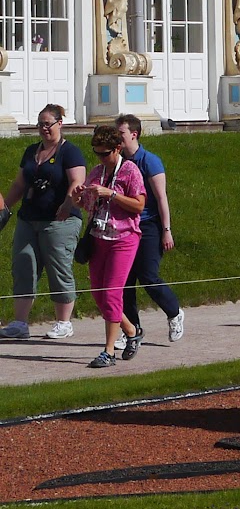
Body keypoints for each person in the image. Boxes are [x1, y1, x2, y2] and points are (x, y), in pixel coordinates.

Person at [0, 105, 85, 341]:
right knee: (23, 266)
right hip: (29, 219)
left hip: (59, 221)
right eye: (40, 124)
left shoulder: (71, 152)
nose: (44, 128)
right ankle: (19, 323)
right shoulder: (31, 151)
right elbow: (19, 184)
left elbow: (77, 181)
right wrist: (5, 209)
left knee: (59, 268)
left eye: (48, 124)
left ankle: (64, 322)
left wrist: (67, 204)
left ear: (60, 124)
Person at [73, 123, 145, 368]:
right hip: (99, 236)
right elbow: (89, 206)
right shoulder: (97, 171)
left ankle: (109, 351)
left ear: (117, 148)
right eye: (96, 153)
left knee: (112, 293)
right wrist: (79, 197)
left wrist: (111, 194)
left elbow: (138, 206)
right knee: (98, 293)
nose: (101, 158)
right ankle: (131, 330)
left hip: (124, 238)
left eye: (105, 153)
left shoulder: (130, 171)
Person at [114, 115, 184, 349]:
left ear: (134, 134)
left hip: (149, 225)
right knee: (124, 281)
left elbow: (161, 198)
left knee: (148, 276)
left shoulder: (149, 161)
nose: (118, 138)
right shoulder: (118, 162)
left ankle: (174, 313)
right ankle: (131, 330)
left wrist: (166, 230)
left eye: (121, 133)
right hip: (125, 227)